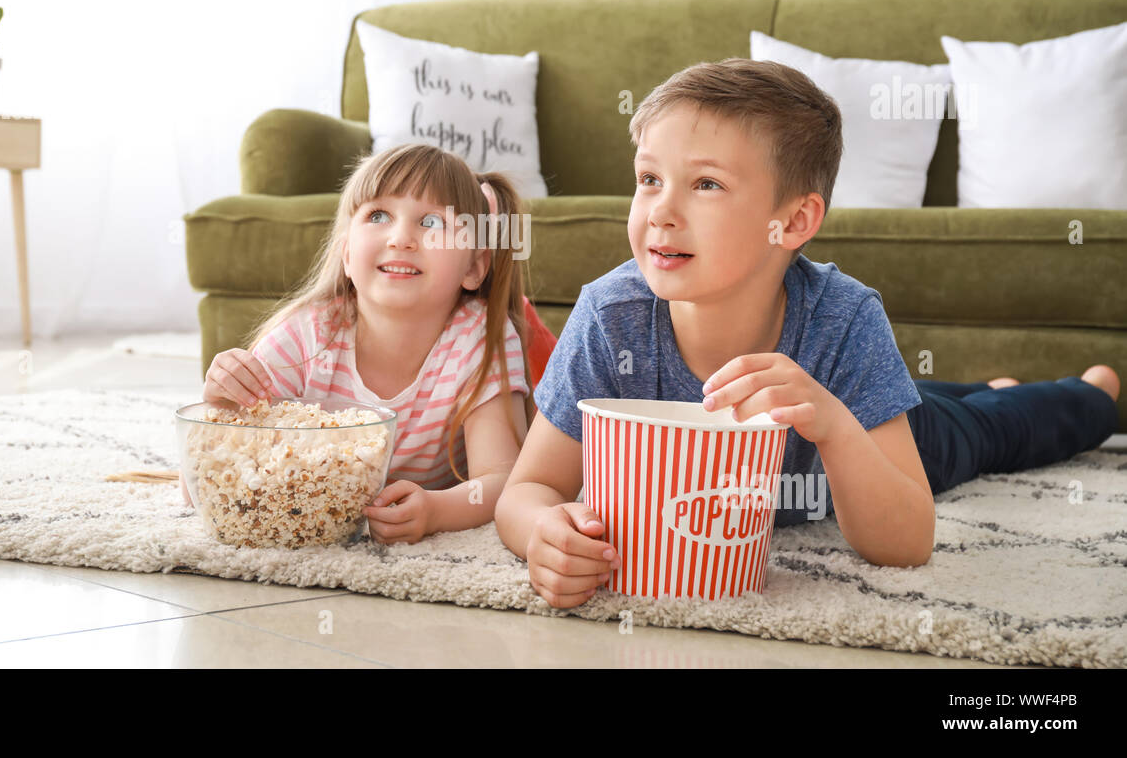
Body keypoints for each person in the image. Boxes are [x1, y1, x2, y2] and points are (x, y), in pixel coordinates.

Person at [494, 58, 1121, 609]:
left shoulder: (844, 319)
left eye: (706, 184)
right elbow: (527, 490)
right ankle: (966, 388)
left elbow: (905, 546)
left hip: (873, 439)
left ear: (792, 221)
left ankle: (1088, 394)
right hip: (875, 404)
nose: (661, 209)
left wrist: (831, 422)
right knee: (932, 395)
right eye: (649, 179)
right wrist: (542, 533)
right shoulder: (611, 316)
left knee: (987, 429)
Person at [187, 143, 552, 544]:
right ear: (346, 253)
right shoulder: (305, 336)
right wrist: (219, 409)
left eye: (432, 223)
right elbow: (200, 490)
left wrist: (436, 510)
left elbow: (501, 481)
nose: (401, 238)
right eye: (378, 215)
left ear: (473, 267)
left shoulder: (478, 337)